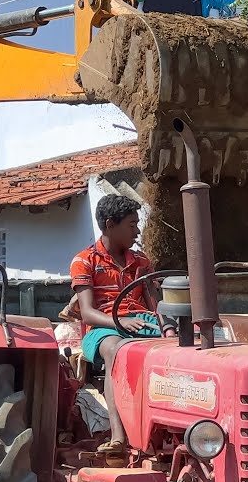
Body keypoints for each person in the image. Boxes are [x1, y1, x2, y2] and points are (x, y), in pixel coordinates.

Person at [70, 195, 174, 463]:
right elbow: (87, 312)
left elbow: (155, 305)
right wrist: (120, 322)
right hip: (102, 329)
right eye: (131, 225)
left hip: (141, 323)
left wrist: (168, 330)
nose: (137, 231)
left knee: (180, 347)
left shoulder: (141, 261)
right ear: (110, 225)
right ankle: (118, 436)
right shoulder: (84, 261)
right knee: (116, 349)